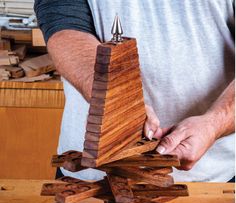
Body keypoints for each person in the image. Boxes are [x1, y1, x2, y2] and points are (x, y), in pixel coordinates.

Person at [35, 0, 235, 182]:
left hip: (212, 175)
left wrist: (214, 123)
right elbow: (64, 27)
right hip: (91, 177)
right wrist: (115, 99)